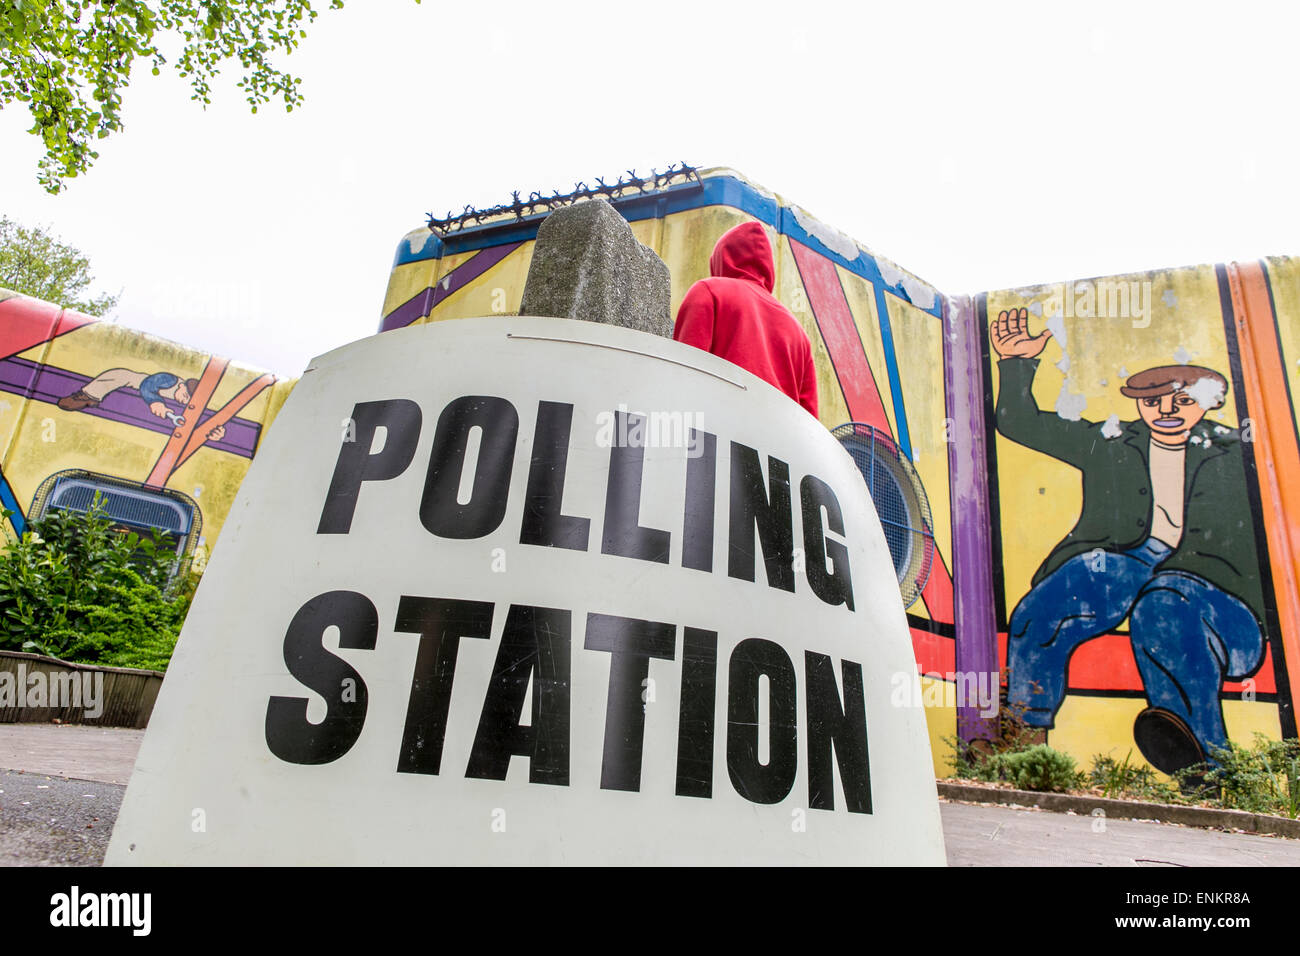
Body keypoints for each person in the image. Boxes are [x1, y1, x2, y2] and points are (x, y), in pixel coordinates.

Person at [991, 307, 1265, 772]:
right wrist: (1017, 364)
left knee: (1166, 606)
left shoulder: (1242, 453)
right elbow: (1022, 423)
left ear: (1210, 401)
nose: (1167, 412)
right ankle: (1023, 744)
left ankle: (1208, 769)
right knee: (1046, 605)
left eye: (1181, 401)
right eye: (1155, 401)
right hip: (1127, 562)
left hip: (1207, 584)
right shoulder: (1113, 441)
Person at [673, 221, 818, 417]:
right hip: (777, 443)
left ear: (721, 259)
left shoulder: (709, 292)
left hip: (719, 430)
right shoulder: (800, 335)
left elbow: (683, 372)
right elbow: (810, 422)